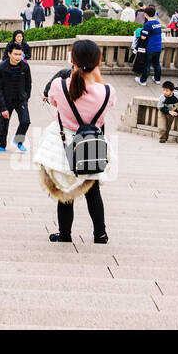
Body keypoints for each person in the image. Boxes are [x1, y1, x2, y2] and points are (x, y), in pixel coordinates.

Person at [39, 38, 114, 244]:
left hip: (64, 145)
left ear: (72, 60)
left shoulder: (59, 85)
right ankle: (100, 234)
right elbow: (106, 107)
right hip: (91, 145)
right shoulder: (108, 91)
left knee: (66, 191)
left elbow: (54, 102)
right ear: (98, 62)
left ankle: (65, 235)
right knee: (93, 191)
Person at [0, 42, 32, 153]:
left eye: (20, 54)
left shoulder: (25, 67)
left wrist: (26, 98)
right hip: (7, 100)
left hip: (21, 99)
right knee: (4, 124)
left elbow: (28, 84)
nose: (18, 57)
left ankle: (18, 141)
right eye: (15, 54)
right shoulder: (1, 67)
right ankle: (2, 145)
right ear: (10, 54)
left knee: (25, 121)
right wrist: (3, 107)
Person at [136, 5, 163, 85]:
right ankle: (157, 79)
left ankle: (143, 81)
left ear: (146, 14)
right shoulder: (158, 23)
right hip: (158, 47)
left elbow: (143, 37)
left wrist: (139, 33)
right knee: (157, 64)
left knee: (147, 65)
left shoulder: (148, 24)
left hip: (150, 47)